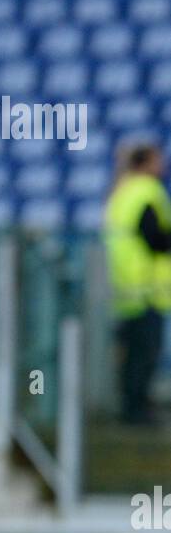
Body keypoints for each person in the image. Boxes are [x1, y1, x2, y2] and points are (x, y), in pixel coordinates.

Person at [104, 141, 171, 425]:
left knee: (132, 355)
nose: (163, 166)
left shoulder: (121, 191)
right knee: (144, 355)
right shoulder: (147, 191)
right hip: (146, 290)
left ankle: (131, 409)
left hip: (126, 289)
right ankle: (137, 413)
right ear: (146, 163)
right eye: (158, 160)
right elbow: (155, 238)